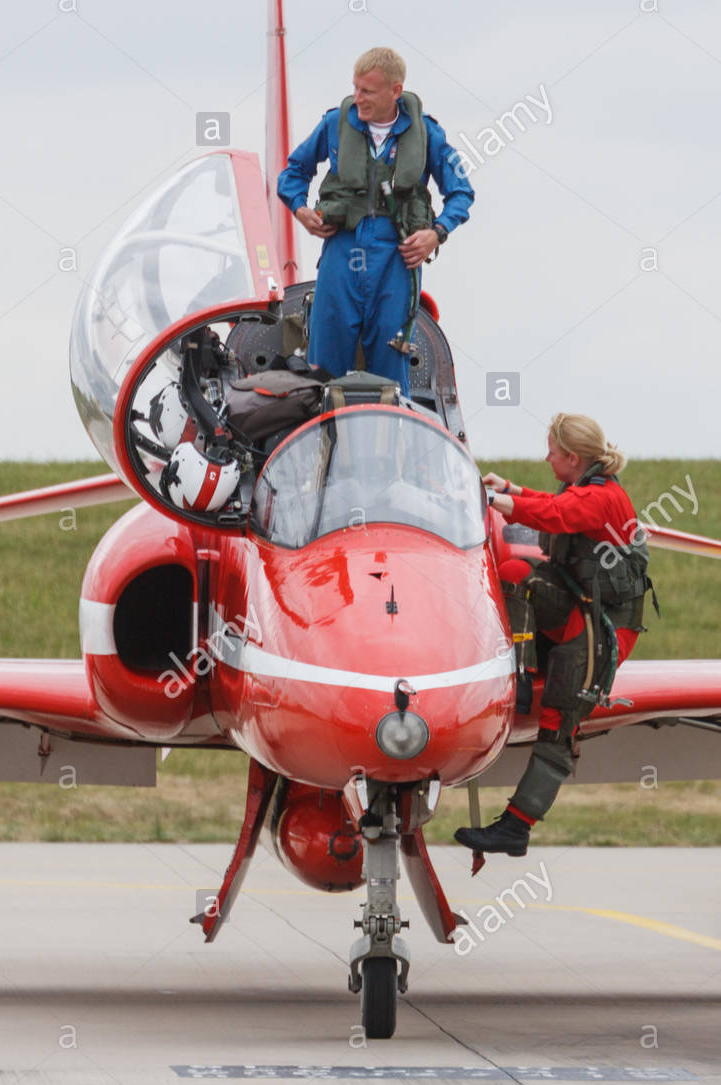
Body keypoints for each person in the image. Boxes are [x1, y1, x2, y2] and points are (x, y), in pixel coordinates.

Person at [455, 413, 654, 857]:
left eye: (551, 450)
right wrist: (511, 490)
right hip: (581, 605)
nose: (546, 457)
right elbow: (551, 503)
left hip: (605, 629)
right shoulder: (585, 487)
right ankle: (520, 673)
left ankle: (517, 827)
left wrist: (498, 500)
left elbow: (555, 513)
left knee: (558, 722)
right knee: (515, 574)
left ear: (572, 457)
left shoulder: (601, 500)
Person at [277, 47, 474, 395]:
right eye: (355, 88)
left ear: (395, 91)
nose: (358, 98)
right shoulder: (333, 125)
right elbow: (293, 171)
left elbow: (461, 192)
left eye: (366, 91)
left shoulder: (428, 135)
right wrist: (301, 210)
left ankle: (391, 445)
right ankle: (324, 445)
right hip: (342, 251)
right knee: (322, 373)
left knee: (391, 372)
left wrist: (436, 233)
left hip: (397, 260)